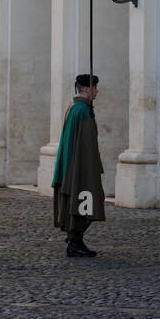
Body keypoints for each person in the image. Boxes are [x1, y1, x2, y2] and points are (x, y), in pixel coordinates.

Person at [52, 73, 105, 256]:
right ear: (87, 89)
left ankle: (75, 239)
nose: (97, 91)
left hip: (75, 165)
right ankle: (75, 240)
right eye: (95, 88)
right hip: (80, 167)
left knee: (83, 201)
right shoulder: (82, 110)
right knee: (86, 200)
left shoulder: (75, 108)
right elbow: (87, 144)